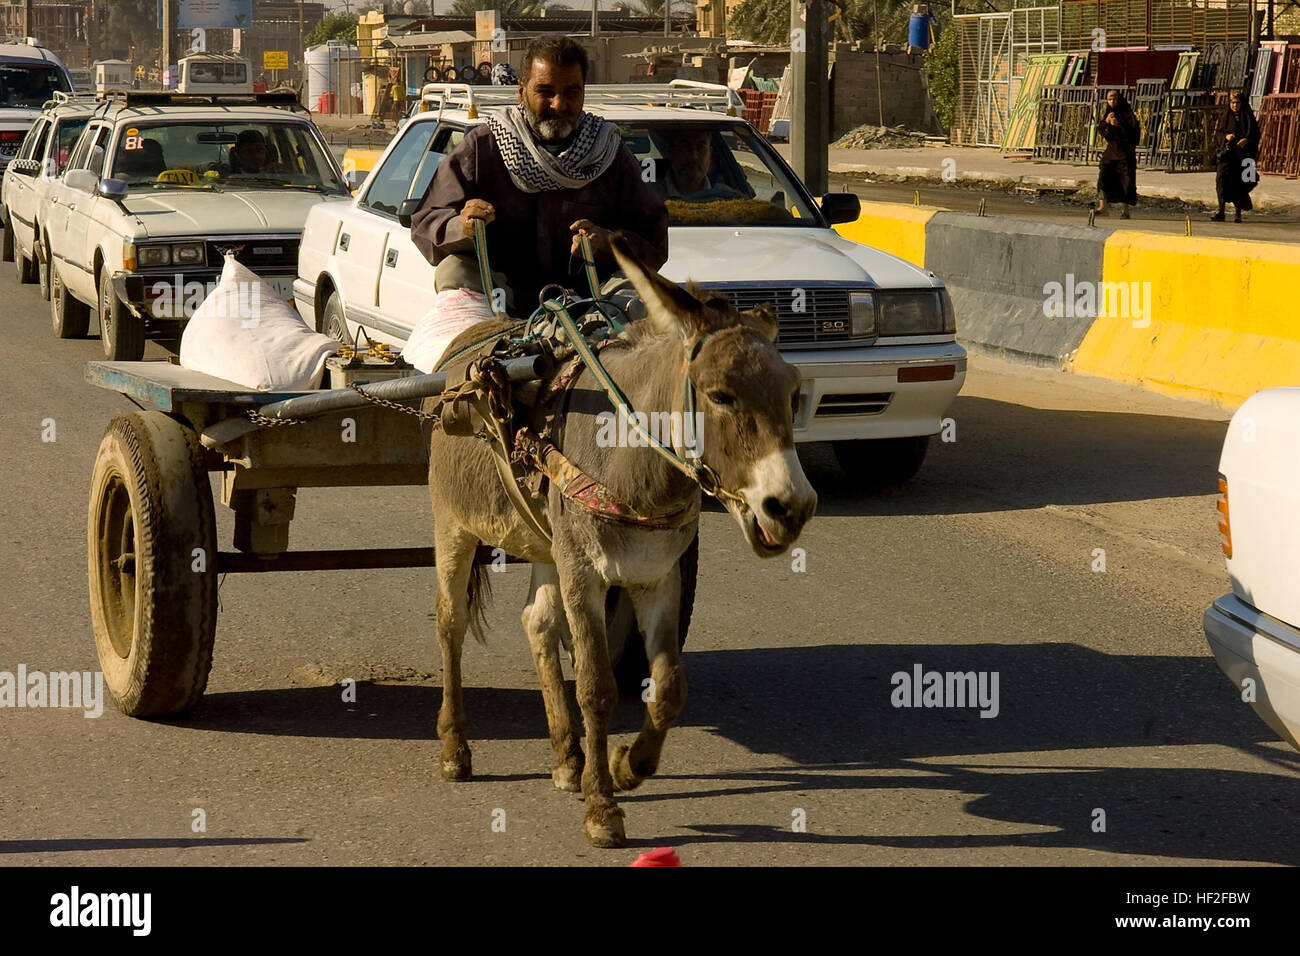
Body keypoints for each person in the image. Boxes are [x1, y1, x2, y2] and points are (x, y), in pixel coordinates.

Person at [410, 37, 668, 316]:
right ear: (521, 93)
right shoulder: (484, 149)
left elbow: (653, 239)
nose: (559, 105)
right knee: (453, 271)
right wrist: (463, 227)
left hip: (591, 300)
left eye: (571, 92)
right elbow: (426, 223)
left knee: (640, 294)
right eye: (545, 92)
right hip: (501, 298)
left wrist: (607, 242)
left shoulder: (609, 152)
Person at [1211, 90, 1260, 223]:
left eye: (1237, 103)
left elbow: (1255, 135)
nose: (1235, 106)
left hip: (1242, 156)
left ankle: (1238, 213)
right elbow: (1218, 134)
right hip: (1227, 156)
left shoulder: (1248, 117)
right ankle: (1221, 211)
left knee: (1241, 183)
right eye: (1232, 103)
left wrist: (1246, 140)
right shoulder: (1225, 116)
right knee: (1221, 181)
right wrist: (1226, 137)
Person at [659, 128, 745, 202]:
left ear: (710, 154)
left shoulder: (727, 199)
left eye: (701, 147)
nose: (694, 157)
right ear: (671, 152)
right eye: (685, 146)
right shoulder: (650, 196)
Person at [1095, 89, 1139, 219]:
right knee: (1103, 178)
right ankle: (1103, 207)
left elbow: (1133, 134)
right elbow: (1102, 131)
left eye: (1114, 99)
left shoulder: (1128, 114)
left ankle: (1125, 211)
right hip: (1111, 153)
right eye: (1109, 99)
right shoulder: (1109, 113)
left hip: (1125, 154)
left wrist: (1119, 125)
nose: (1112, 101)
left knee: (1126, 182)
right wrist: (1107, 123)